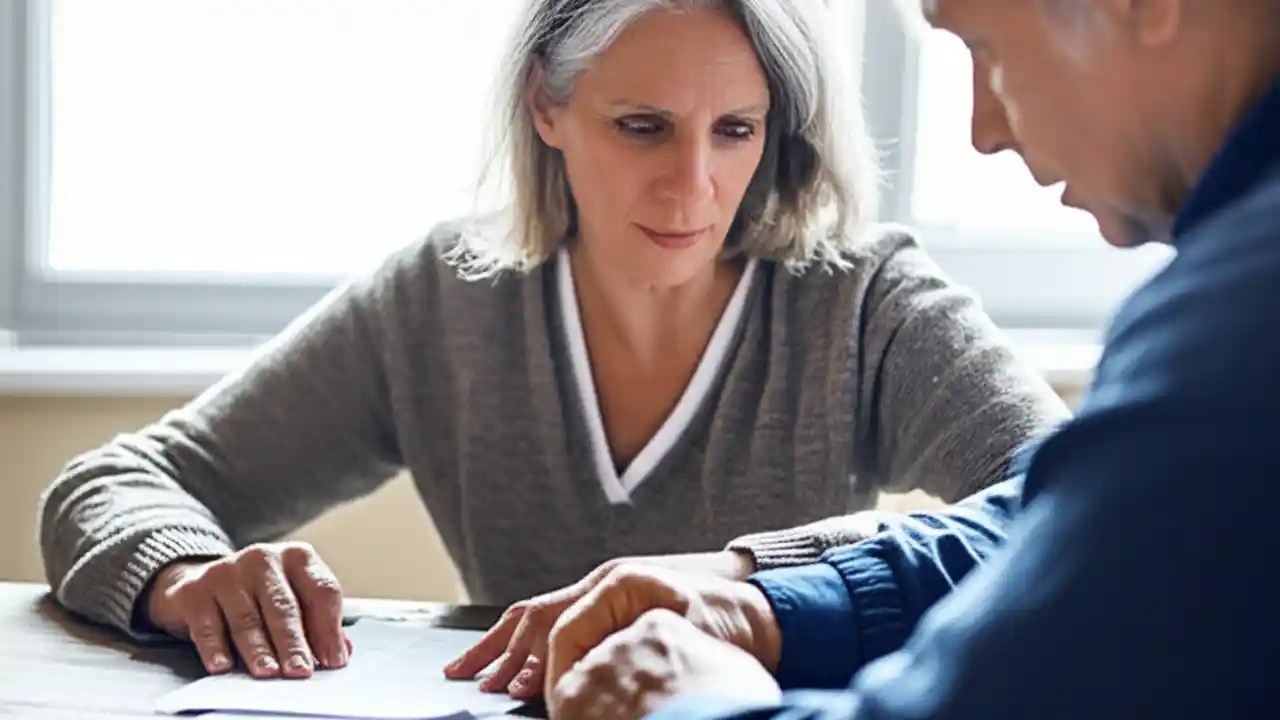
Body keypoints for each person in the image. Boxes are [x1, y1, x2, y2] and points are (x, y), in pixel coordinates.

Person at [35, 0, 1067, 685]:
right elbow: (113, 484)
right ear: (546, 106)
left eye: (735, 131)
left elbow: (1073, 507)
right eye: (642, 127)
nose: (692, 188)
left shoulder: (865, 304)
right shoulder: (444, 303)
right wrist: (180, 576)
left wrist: (746, 577)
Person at [539, 0, 1280, 717]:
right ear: (546, 108)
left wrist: (691, 701)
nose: (981, 132)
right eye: (642, 127)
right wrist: (765, 605)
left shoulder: (1236, 324)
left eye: (984, 46)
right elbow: (1055, 515)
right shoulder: (1229, 296)